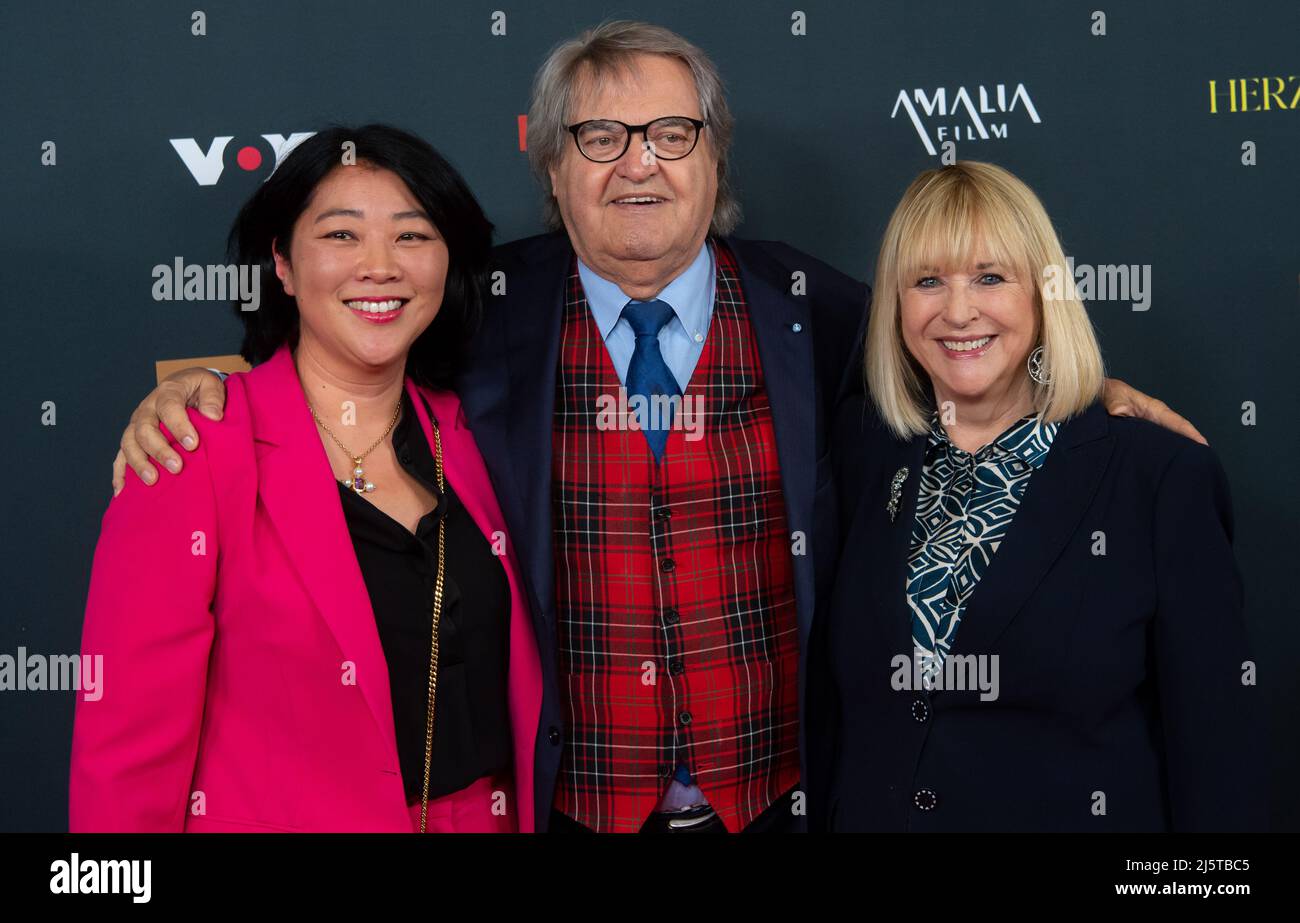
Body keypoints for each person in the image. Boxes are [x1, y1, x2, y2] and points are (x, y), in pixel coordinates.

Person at [107, 23, 1196, 833]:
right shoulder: (484, 310)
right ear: (551, 163)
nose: (639, 161)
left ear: (714, 156)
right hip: (566, 808)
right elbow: (349, 337)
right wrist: (200, 385)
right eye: (601, 135)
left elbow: (963, 356)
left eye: (671, 132)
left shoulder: (811, 308)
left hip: (779, 802)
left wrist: (1085, 394)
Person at [71, 125, 543, 832]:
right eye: (341, 236)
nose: (380, 266)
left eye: (413, 236)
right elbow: (125, 754)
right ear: (284, 265)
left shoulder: (482, 433)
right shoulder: (191, 447)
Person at [808, 161, 1265, 831]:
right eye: (928, 280)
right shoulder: (859, 452)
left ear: (1043, 294)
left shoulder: (1156, 478)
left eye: (990, 277)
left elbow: (1218, 760)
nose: (958, 310)